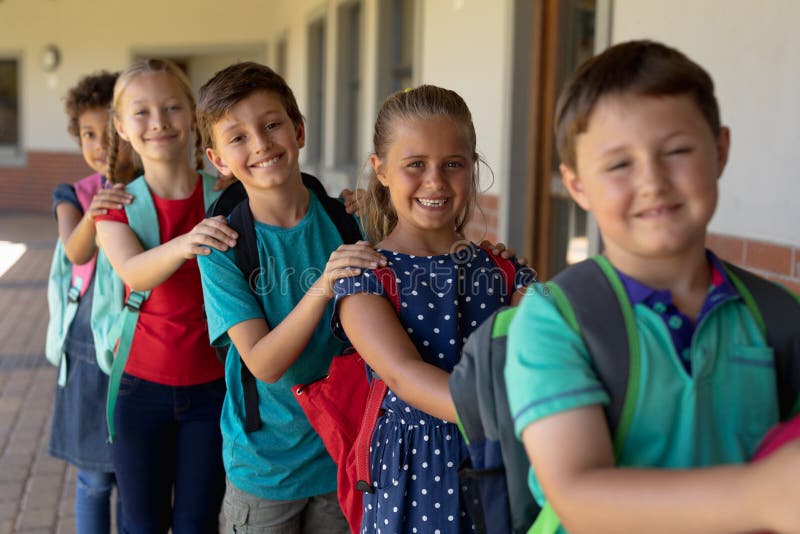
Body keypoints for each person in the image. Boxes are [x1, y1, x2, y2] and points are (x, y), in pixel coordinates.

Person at [505, 39, 800, 533]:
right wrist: (760, 496)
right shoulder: (556, 319)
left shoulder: (782, 315)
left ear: (720, 150)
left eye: (678, 151)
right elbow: (578, 492)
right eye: (620, 164)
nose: (653, 181)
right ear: (577, 186)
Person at [332, 85, 535, 533]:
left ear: (474, 168)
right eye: (415, 165)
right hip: (415, 473)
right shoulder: (366, 276)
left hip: (500, 467)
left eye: (453, 165)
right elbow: (404, 375)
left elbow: (548, 345)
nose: (436, 182)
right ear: (381, 170)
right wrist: (517, 413)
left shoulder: (505, 274)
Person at [195, 61, 385, 533]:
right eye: (237, 137)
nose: (260, 144)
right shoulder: (223, 247)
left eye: (272, 124)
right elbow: (262, 362)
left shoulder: (350, 222)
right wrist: (323, 285)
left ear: (298, 130)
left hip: (344, 452)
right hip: (264, 468)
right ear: (217, 159)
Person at [94, 59, 236, 533]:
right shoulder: (119, 205)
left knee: (198, 521)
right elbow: (135, 271)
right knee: (141, 523)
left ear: (193, 115)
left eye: (173, 107)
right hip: (138, 389)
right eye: (142, 112)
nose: (158, 121)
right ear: (121, 127)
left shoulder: (229, 195)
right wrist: (186, 241)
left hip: (213, 388)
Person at [48, 70, 136, 534]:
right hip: (88, 347)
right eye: (88, 134)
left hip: (138, 338)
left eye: (111, 132)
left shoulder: (150, 187)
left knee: (136, 475)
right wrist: (98, 209)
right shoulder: (74, 195)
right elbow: (74, 250)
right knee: (96, 477)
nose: (101, 144)